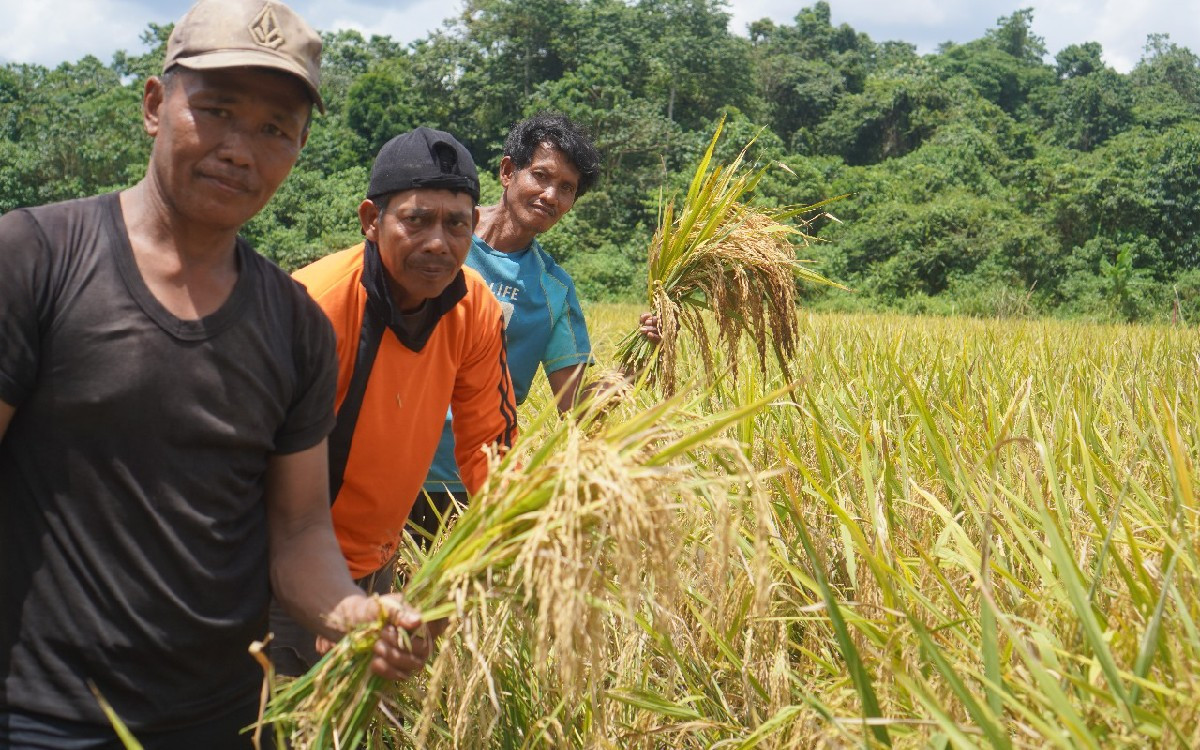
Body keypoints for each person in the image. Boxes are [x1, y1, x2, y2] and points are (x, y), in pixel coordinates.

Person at [0, 1, 430, 747]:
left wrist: (352, 614)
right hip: (44, 720)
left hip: (228, 717)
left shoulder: (295, 324)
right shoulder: (35, 258)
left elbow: (298, 529)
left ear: (299, 148)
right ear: (154, 105)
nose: (240, 149)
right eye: (218, 111)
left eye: (274, 129)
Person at [269, 126, 517, 674]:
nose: (438, 243)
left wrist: (527, 523)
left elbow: (490, 447)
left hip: (378, 561)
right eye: (416, 220)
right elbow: (245, 471)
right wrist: (330, 603)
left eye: (456, 224)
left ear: (475, 225)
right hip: (283, 567)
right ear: (370, 220)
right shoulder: (312, 309)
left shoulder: (474, 308)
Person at [413, 113, 657, 532]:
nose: (550, 195)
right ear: (508, 171)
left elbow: (574, 406)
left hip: (475, 487)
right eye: (541, 176)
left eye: (567, 188)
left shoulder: (553, 290)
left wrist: (638, 360)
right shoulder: (438, 234)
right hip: (388, 461)